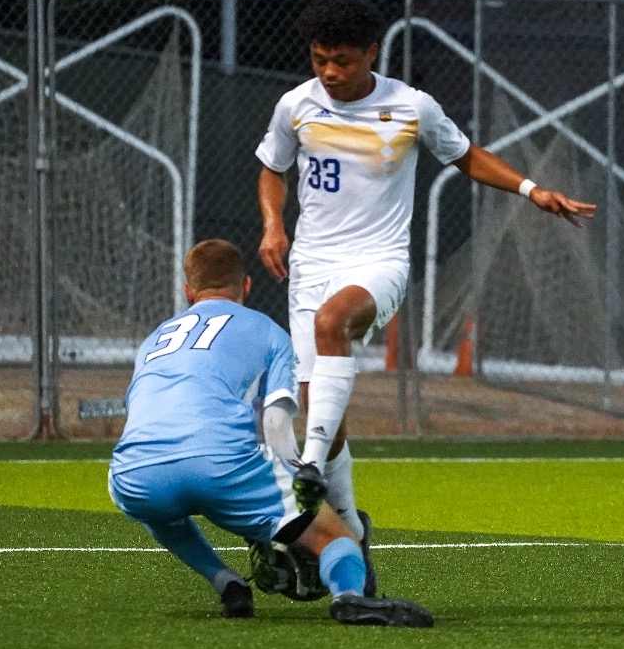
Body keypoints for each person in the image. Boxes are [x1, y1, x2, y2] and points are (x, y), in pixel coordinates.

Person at [256, 0, 594, 590]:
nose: (328, 73)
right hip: (310, 266)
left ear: (370, 54)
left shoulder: (411, 107)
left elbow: (466, 157)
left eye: (340, 60)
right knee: (324, 416)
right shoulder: (296, 105)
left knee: (335, 325)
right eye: (318, 60)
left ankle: (306, 466)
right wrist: (273, 225)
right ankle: (352, 537)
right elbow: (271, 168)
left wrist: (531, 188)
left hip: (378, 262)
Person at [108, 238, 433, 627]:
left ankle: (226, 582)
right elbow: (276, 421)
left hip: (134, 472)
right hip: (220, 464)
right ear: (246, 286)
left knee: (157, 509)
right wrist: (297, 480)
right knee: (338, 537)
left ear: (188, 291)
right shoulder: (266, 330)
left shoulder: (153, 340)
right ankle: (349, 595)